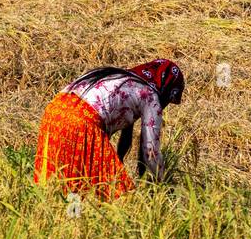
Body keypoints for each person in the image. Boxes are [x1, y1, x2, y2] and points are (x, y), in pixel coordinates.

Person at [34, 59, 184, 199]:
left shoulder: (122, 79)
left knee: (67, 180)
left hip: (55, 111)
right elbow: (151, 153)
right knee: (117, 196)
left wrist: (119, 160)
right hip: (82, 120)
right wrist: (162, 189)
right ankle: (75, 219)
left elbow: (126, 138)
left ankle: (68, 218)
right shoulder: (151, 97)